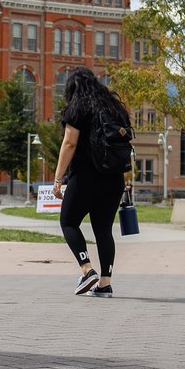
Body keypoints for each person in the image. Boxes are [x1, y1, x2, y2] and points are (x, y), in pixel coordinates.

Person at [50, 66, 128, 297]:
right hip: (114, 179)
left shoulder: (78, 106)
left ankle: (86, 270)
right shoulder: (115, 108)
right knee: (103, 229)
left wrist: (58, 179)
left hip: (86, 176)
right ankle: (105, 283)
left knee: (68, 222)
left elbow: (69, 143)